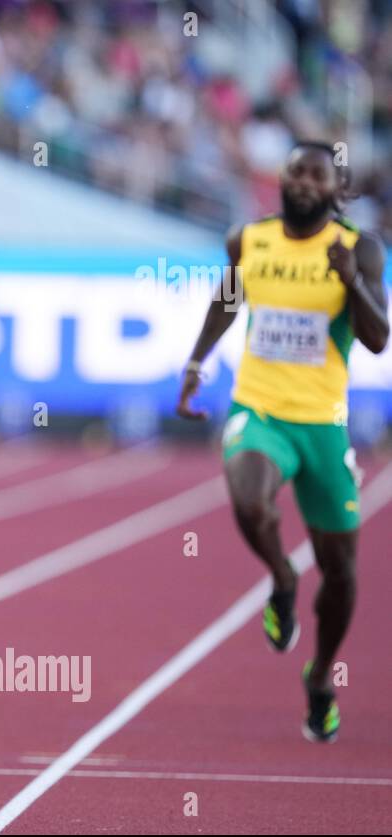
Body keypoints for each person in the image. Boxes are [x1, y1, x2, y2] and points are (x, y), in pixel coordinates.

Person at [178, 141, 388, 743]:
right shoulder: (249, 239)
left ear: (334, 188)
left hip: (322, 425)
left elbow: (377, 339)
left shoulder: (358, 249)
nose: (301, 183)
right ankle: (282, 579)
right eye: (294, 171)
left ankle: (320, 677)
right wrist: (196, 361)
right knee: (248, 500)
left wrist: (353, 285)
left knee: (343, 572)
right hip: (260, 410)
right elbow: (227, 298)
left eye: (315, 176)